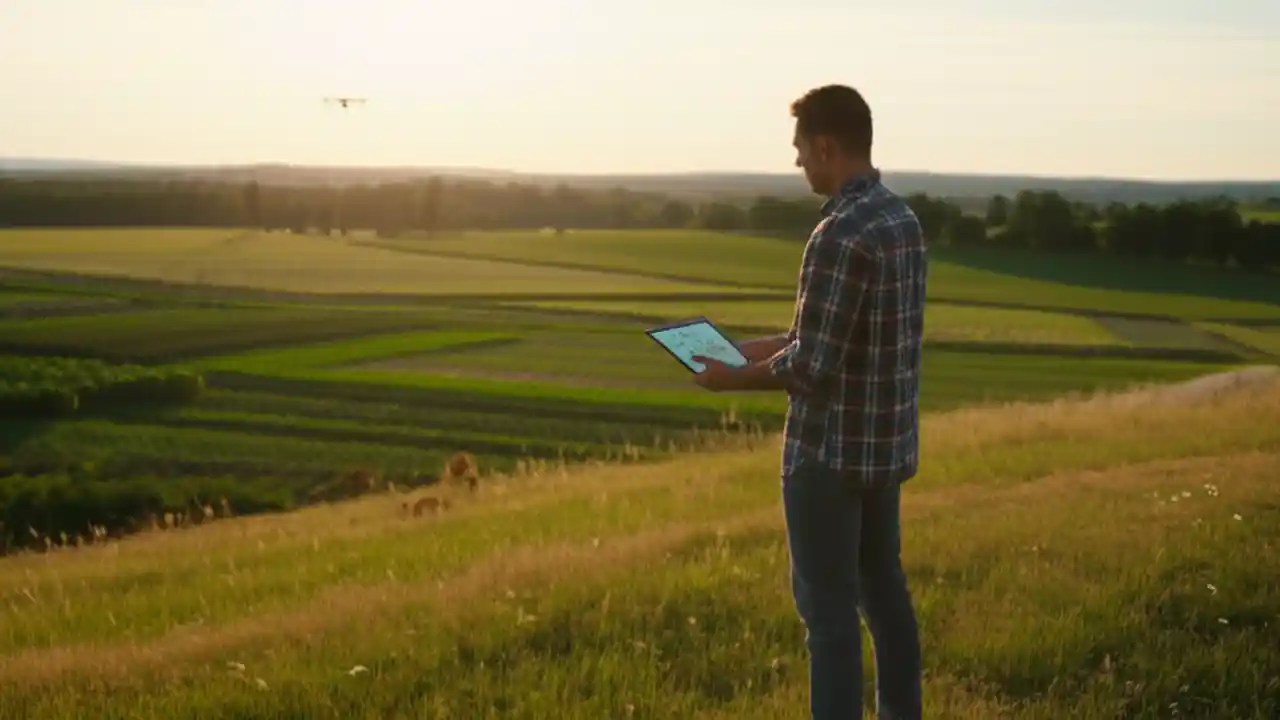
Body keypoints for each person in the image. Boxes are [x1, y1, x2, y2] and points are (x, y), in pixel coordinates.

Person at [691, 84, 927, 719]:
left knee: (828, 621)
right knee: (885, 597)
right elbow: (819, 336)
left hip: (826, 456)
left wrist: (728, 379)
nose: (796, 163)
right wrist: (741, 350)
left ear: (825, 146)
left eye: (799, 149)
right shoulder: (900, 220)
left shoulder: (836, 234)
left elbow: (811, 366)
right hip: (882, 451)